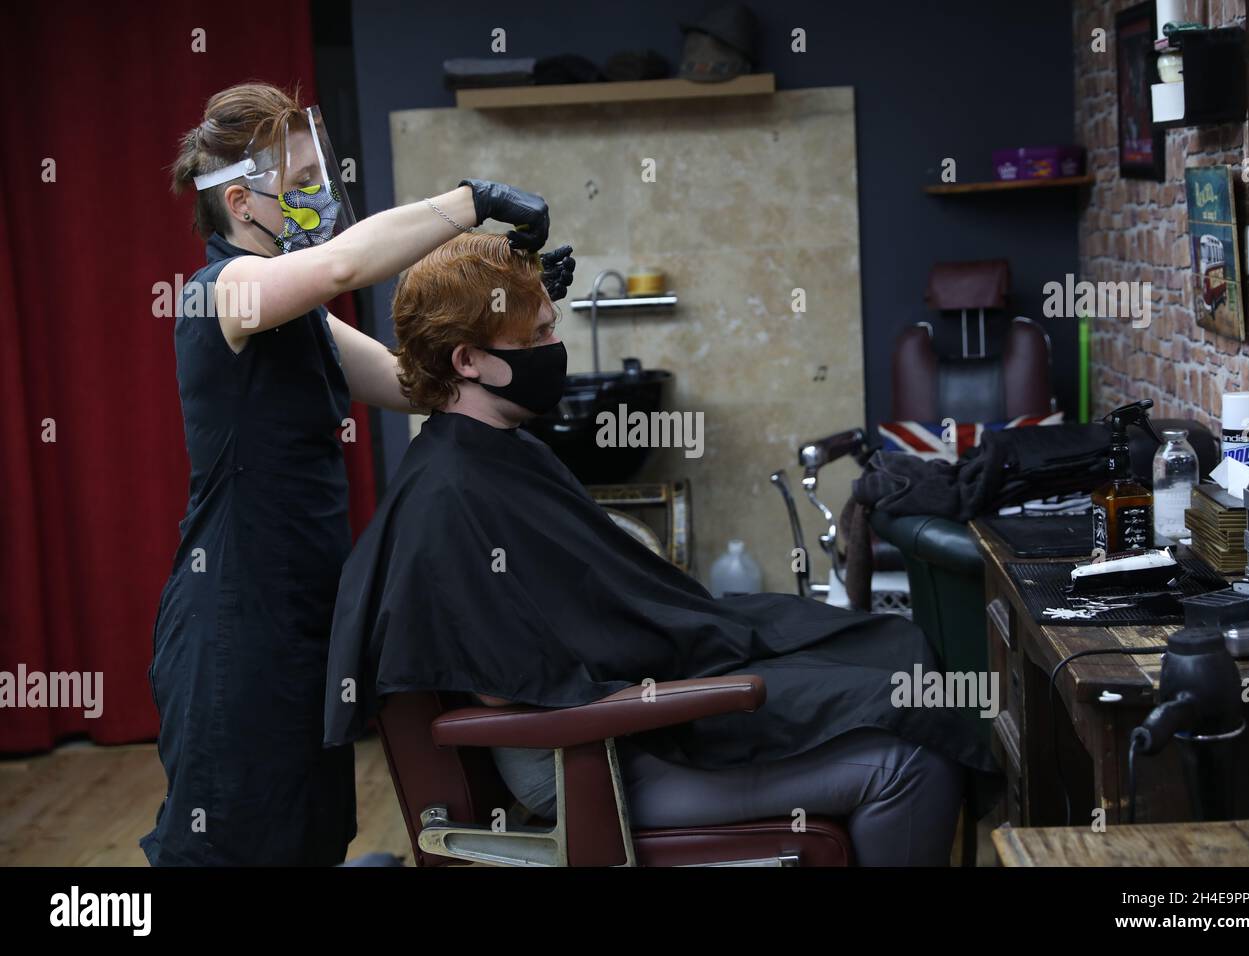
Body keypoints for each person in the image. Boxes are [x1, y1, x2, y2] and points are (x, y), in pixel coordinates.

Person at [326, 233, 996, 866]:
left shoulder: (496, 451)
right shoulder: (449, 498)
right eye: (537, 337)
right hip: (589, 758)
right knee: (914, 754)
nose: (555, 349)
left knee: (893, 650)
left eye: (552, 329)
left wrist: (662, 641)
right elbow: (506, 694)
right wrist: (658, 667)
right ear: (468, 360)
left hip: (620, 722)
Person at [143, 82, 574, 866]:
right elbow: (343, 261)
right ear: (240, 202)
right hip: (235, 630)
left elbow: (421, 386)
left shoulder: (299, 321)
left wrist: (516, 321)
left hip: (305, 619)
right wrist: (471, 201)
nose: (317, 197)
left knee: (308, 839)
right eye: (301, 185)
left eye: (318, 179)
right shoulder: (224, 297)